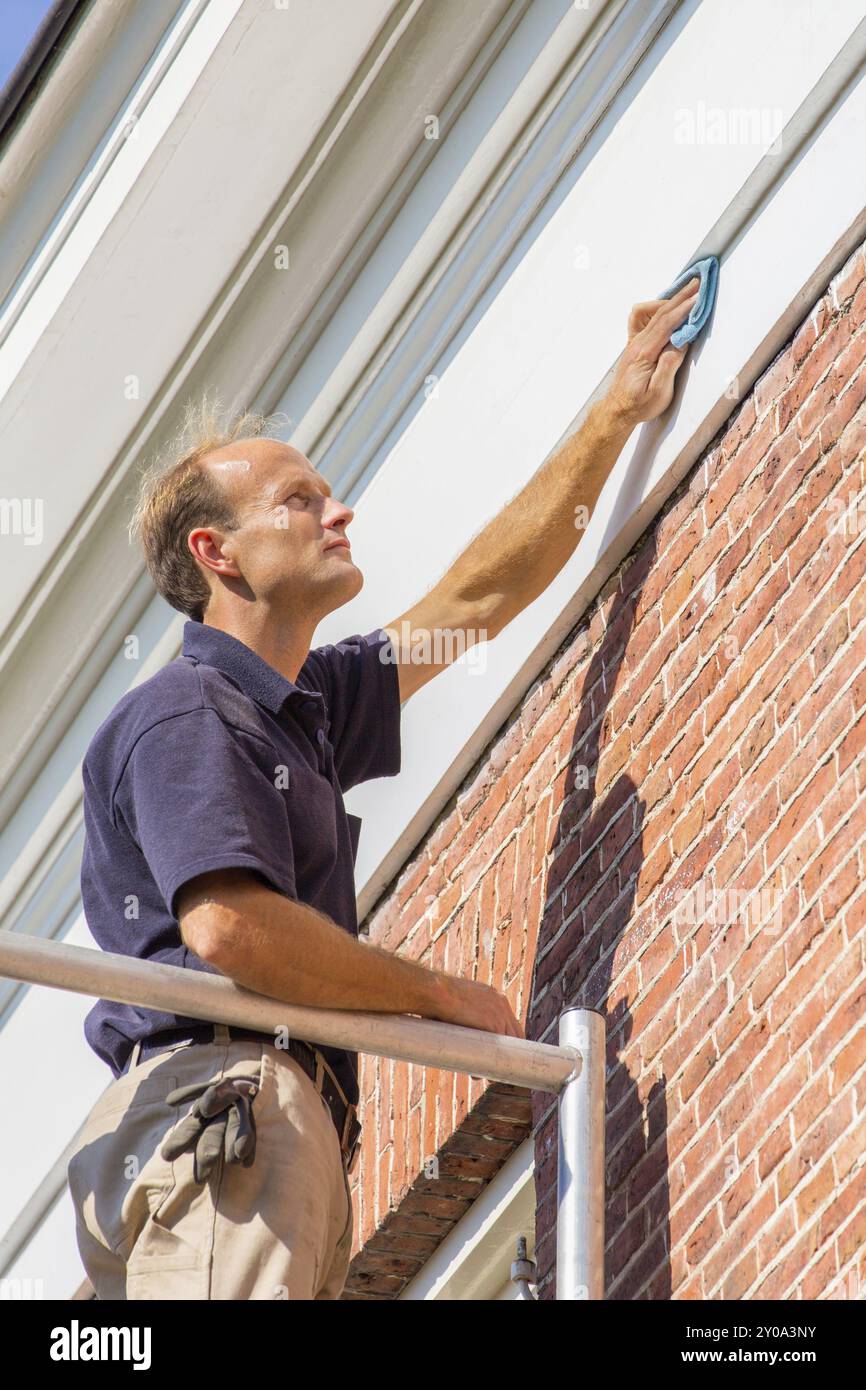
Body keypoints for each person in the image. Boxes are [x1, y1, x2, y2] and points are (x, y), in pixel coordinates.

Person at [66, 279, 700, 1299]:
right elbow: (232, 929)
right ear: (215, 552)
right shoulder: (188, 712)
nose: (338, 509)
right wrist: (440, 997)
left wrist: (615, 408)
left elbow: (477, 596)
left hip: (260, 1125)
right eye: (299, 500)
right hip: (226, 1105)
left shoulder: (302, 703)